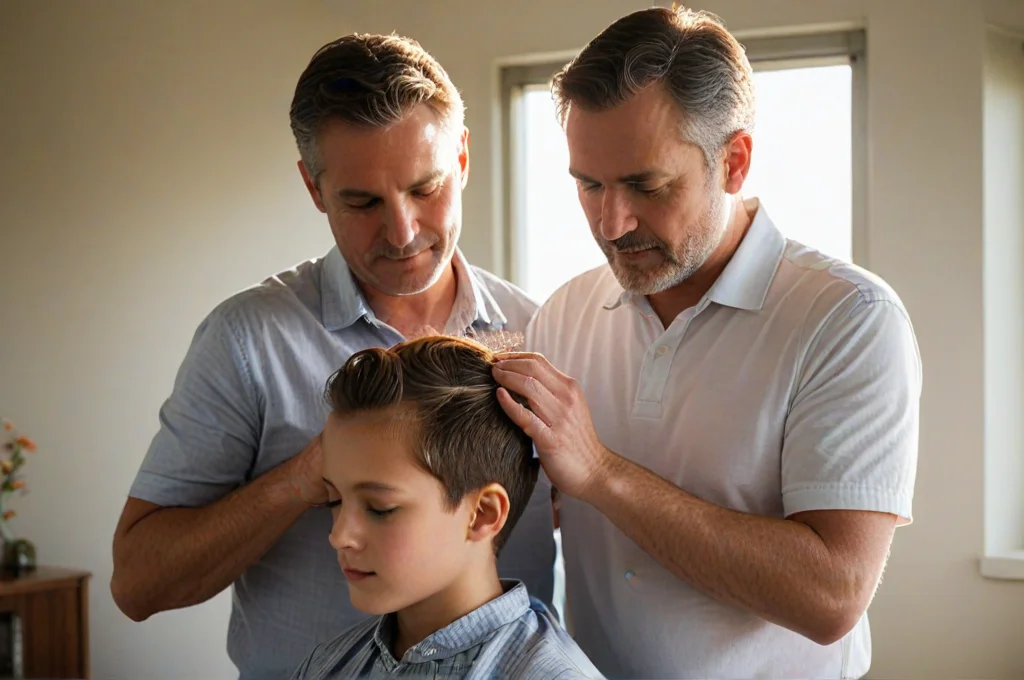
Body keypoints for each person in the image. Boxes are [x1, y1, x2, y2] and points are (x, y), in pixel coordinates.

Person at [491, 7, 922, 680]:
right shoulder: (562, 316)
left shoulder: (848, 320)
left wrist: (601, 473)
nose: (611, 222)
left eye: (645, 184)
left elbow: (830, 596)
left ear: (735, 160)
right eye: (588, 183)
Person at [110, 33, 555, 680]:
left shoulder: (545, 332)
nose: (403, 232)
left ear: (461, 157)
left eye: (425, 188)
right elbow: (137, 586)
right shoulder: (247, 341)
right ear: (314, 188)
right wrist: (309, 476)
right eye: (363, 202)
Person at [289, 336, 601, 680]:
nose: (339, 535)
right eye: (334, 499)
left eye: (379, 508)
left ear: (482, 513)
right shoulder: (325, 668)